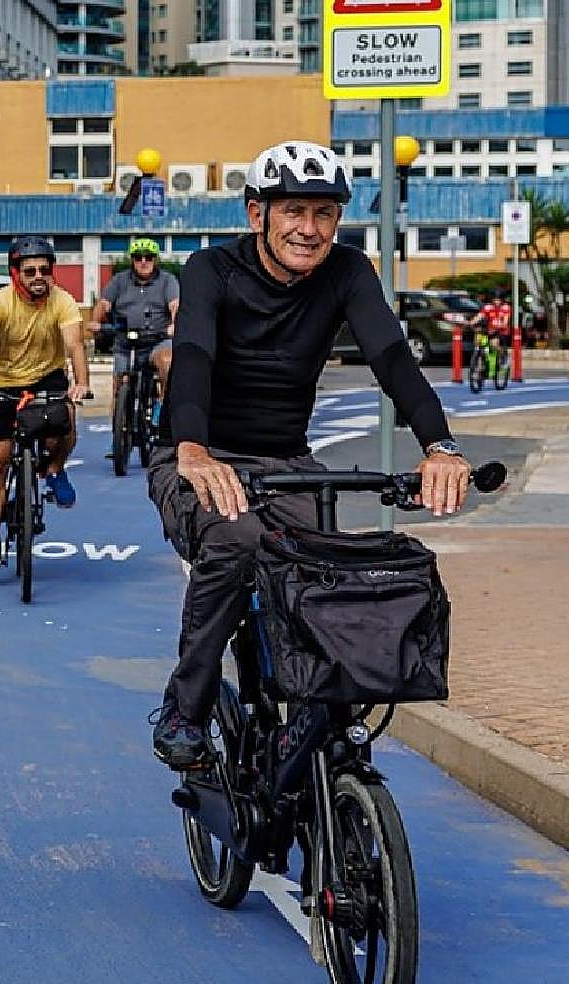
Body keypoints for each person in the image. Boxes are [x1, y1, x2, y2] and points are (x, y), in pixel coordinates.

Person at [147, 141, 470, 771]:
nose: (309, 228)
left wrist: (441, 447)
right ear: (255, 214)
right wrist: (192, 448)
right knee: (238, 544)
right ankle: (187, 704)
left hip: (288, 462)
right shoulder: (212, 268)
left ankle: (312, 721)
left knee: (331, 565)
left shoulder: (348, 271)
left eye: (324, 213)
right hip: (198, 456)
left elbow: (392, 358)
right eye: (293, 210)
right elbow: (194, 357)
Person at [0, 236, 91, 565]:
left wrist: (82, 383)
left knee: (66, 421)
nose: (38, 277)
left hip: (46, 378)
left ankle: (56, 470)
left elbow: (75, 345)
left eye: (44, 270)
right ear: (15, 273)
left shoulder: (63, 302)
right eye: (29, 270)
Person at [90, 235, 179, 406]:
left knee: (167, 363)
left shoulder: (168, 280)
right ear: (132, 260)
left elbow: (175, 305)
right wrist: (96, 323)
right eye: (138, 257)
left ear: (155, 260)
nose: (143, 262)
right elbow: (103, 304)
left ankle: (165, 410)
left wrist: (175, 324)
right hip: (125, 342)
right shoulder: (119, 280)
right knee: (119, 382)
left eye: (148, 257)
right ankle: (120, 424)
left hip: (157, 341)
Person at [469, 290, 513, 355]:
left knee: (494, 344)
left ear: (502, 300)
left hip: (501, 331)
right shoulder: (488, 307)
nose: (497, 302)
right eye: (495, 300)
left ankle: (504, 356)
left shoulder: (506, 307)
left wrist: (499, 326)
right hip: (490, 330)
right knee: (479, 342)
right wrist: (471, 322)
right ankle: (483, 357)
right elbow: (480, 316)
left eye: (499, 300)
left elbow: (505, 323)